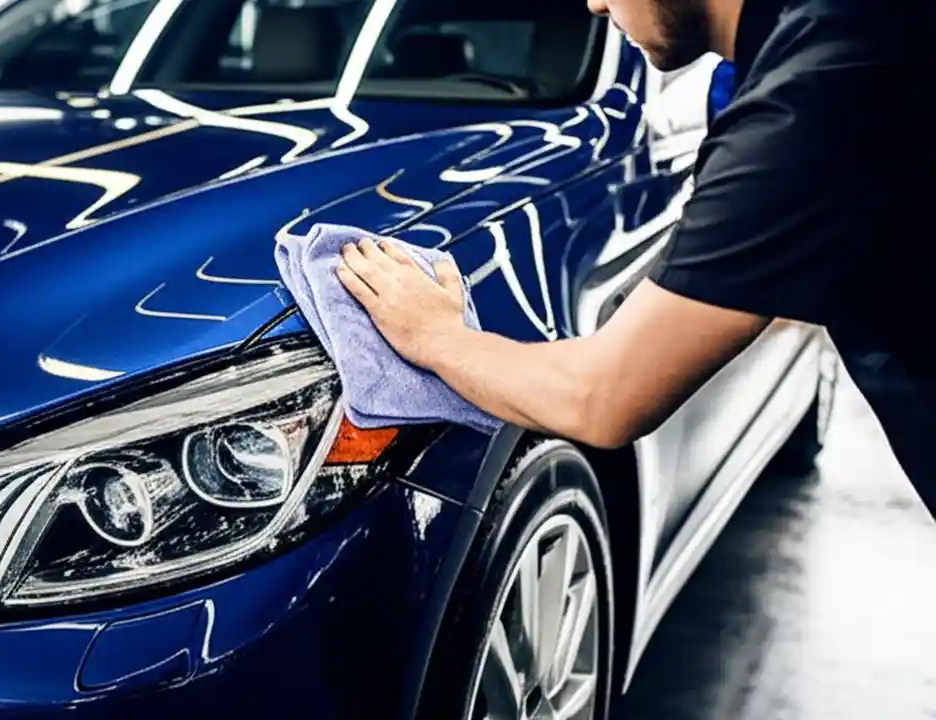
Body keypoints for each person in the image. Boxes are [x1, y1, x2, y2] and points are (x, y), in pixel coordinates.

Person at [336, 0, 936, 519]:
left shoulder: (814, 95)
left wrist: (438, 337)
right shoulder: (843, 39)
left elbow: (601, 399)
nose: (595, 5)